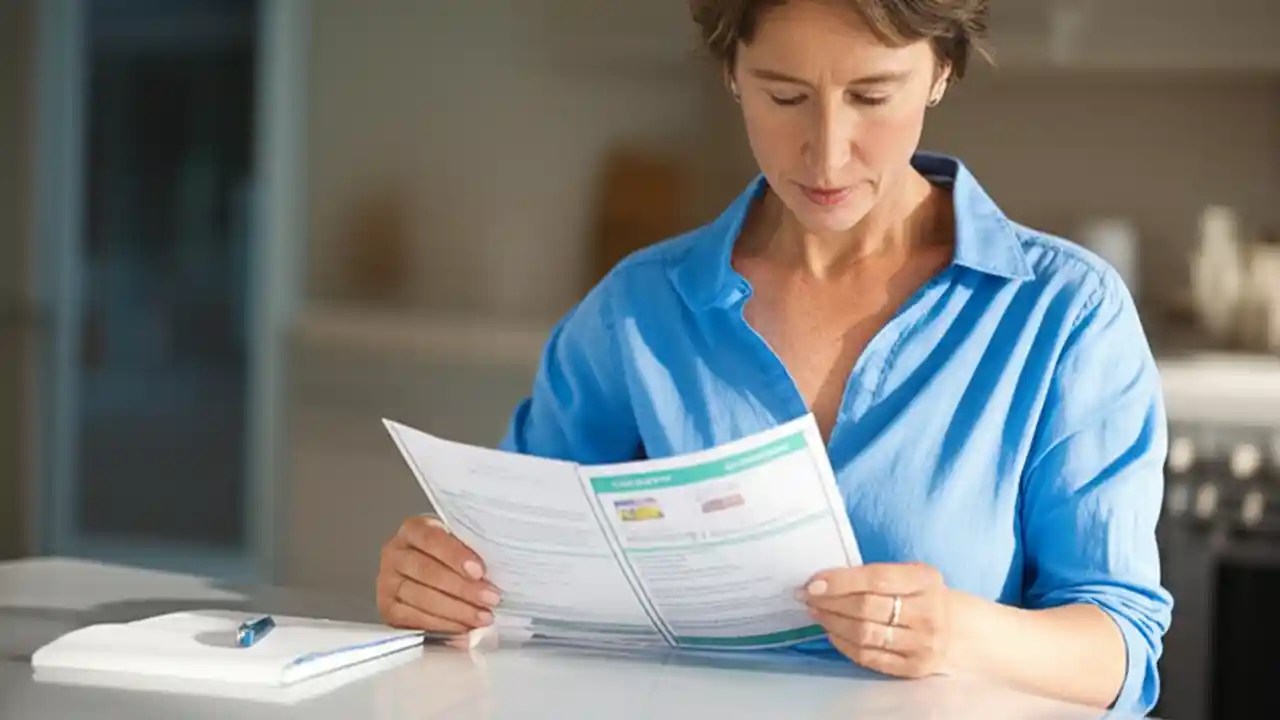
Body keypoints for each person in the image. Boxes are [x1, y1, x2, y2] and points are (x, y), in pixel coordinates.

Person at [375, 0, 1173, 714]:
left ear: (940, 70)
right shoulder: (642, 310)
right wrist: (442, 586)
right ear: (732, 74)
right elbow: (511, 577)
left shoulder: (1063, 313)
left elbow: (1120, 652)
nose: (826, 156)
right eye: (784, 96)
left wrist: (957, 633)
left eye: (872, 96)